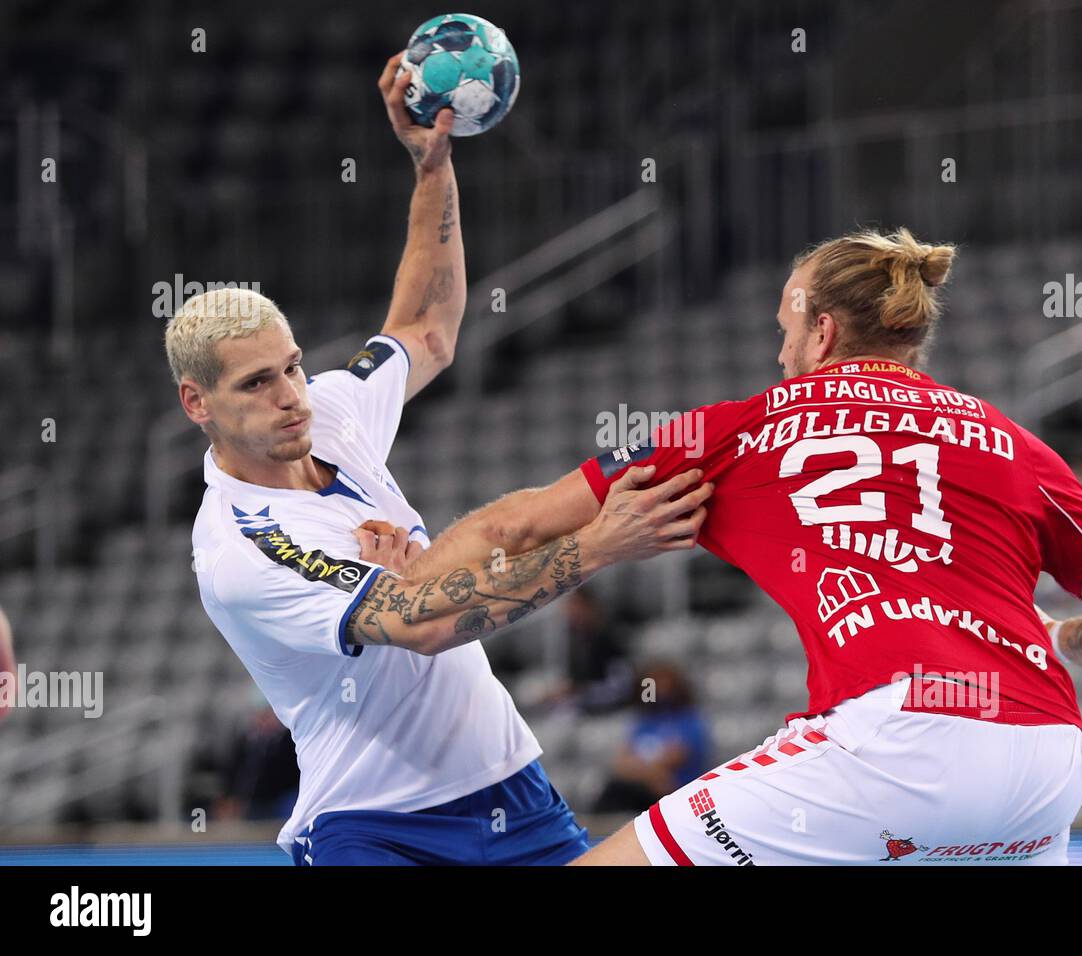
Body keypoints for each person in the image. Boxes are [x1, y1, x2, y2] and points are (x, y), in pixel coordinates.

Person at [365, 227, 1082, 865]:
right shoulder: (1016, 443)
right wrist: (1056, 638)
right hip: (1045, 761)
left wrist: (402, 576)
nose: (779, 350)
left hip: (898, 741)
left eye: (785, 330)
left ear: (824, 332)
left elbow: (515, 526)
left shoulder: (741, 428)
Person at [170, 54, 711, 866]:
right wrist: (598, 546)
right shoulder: (240, 547)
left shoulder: (328, 415)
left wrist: (433, 167)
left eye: (291, 365)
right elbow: (421, 624)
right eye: (257, 382)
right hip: (372, 822)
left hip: (509, 788)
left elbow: (427, 328)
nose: (291, 394)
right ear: (197, 404)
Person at [592, 662, 712, 814]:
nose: (659, 689)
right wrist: (650, 775)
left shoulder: (689, 719)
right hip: (647, 784)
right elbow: (621, 762)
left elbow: (676, 757)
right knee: (615, 790)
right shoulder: (644, 721)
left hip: (675, 791)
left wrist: (642, 771)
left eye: (664, 683)